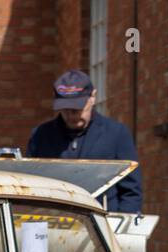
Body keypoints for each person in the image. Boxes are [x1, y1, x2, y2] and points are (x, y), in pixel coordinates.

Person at [26, 69, 142, 213]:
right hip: (53, 223)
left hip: (103, 224)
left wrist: (119, 228)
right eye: (65, 110)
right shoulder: (41, 136)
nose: (71, 115)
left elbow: (131, 192)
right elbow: (30, 188)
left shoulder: (116, 134)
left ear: (93, 97)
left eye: (77, 108)